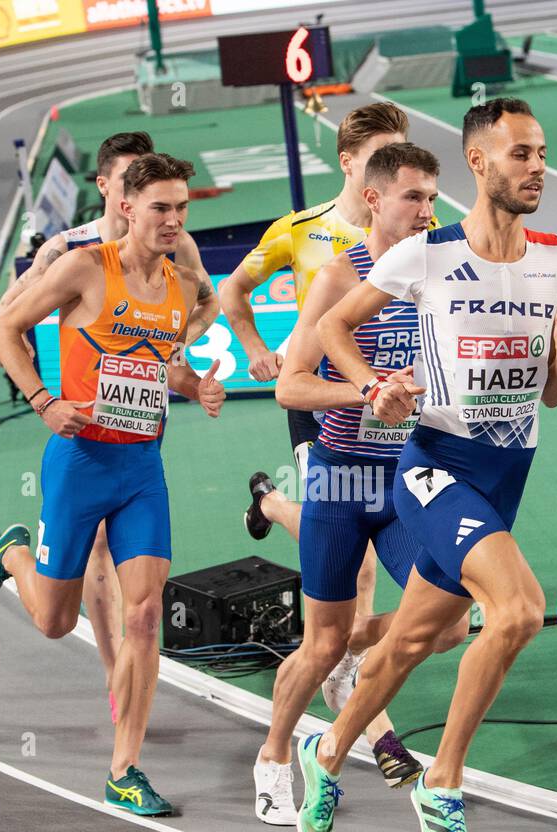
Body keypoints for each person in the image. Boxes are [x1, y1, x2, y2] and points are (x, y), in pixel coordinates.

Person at [296, 98, 557, 832]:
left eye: (542, 152)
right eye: (520, 153)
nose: (536, 167)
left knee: (411, 642)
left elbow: (554, 395)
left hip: (505, 476)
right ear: (479, 163)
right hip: (432, 467)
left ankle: (325, 754)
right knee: (521, 609)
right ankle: (444, 783)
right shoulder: (424, 255)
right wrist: (370, 387)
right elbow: (332, 328)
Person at [0, 154, 225, 815]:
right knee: (57, 621)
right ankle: (14, 555)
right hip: (80, 461)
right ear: (127, 208)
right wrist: (42, 400)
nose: (173, 220)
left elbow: (162, 365)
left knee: (144, 612)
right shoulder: (87, 267)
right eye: (160, 209)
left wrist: (193, 382)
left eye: (182, 209)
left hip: (142, 466)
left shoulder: (178, 287)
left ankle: (124, 768)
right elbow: (2, 328)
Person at [253, 143, 469, 824]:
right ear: (375, 200)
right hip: (343, 481)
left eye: (433, 198)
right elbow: (290, 385)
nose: (427, 211)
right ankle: (275, 756)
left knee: (451, 622)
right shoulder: (341, 278)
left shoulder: (442, 273)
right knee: (320, 645)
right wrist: (367, 391)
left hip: (410, 480)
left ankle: (339, 649)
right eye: (414, 198)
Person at [223, 102, 413, 680]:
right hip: (324, 403)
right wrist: (256, 348)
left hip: (397, 403)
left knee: (385, 525)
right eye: (383, 155)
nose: (396, 165)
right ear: (349, 161)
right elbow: (232, 290)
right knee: (353, 553)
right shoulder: (300, 231)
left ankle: (269, 504)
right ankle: (348, 665)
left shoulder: (416, 227)